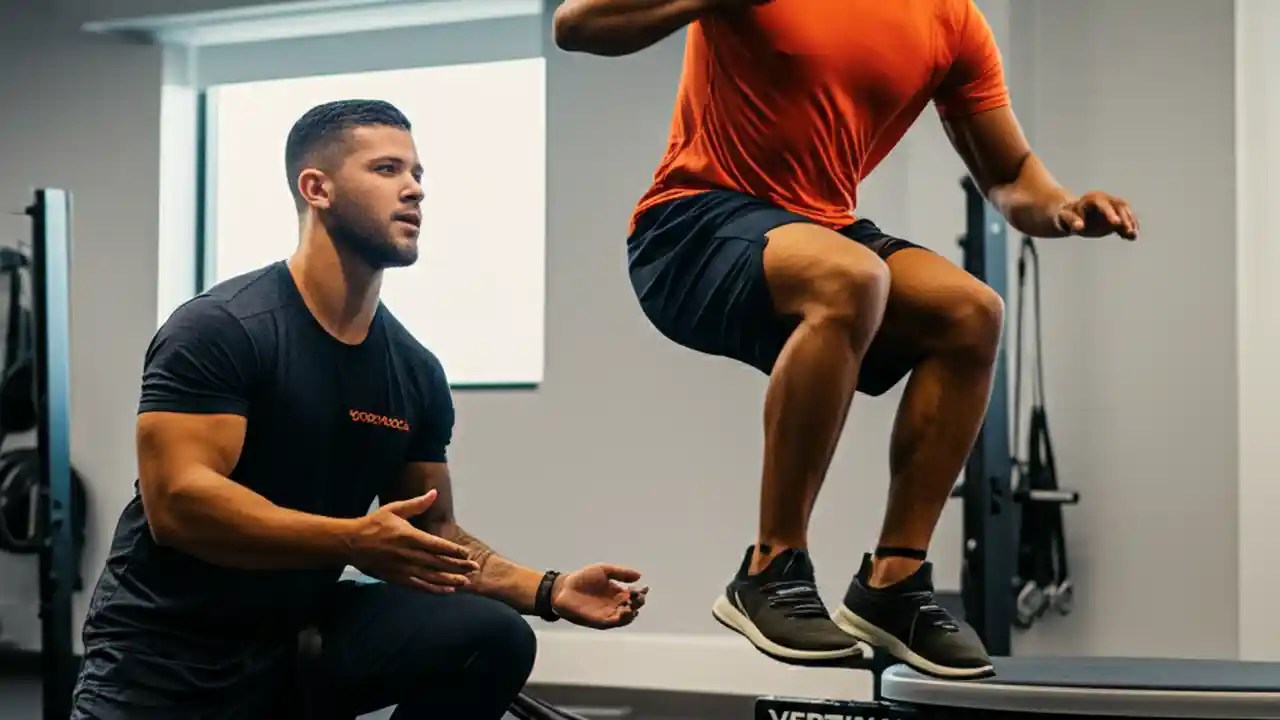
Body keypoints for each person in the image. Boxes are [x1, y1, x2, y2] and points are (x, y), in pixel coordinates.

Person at [551, 0, 1137, 679]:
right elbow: (577, 24)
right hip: (688, 227)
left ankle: (893, 584)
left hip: (819, 231)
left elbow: (1009, 175)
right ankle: (770, 570)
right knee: (852, 276)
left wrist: (1062, 207)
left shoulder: (951, 20)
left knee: (971, 311)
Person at [70, 99, 649, 719]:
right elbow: (179, 505)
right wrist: (352, 540)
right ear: (316, 188)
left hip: (299, 639)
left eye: (418, 175)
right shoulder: (222, 328)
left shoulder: (413, 369)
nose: (414, 191)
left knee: (492, 635)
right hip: (165, 653)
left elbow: (432, 537)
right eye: (387, 170)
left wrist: (548, 589)